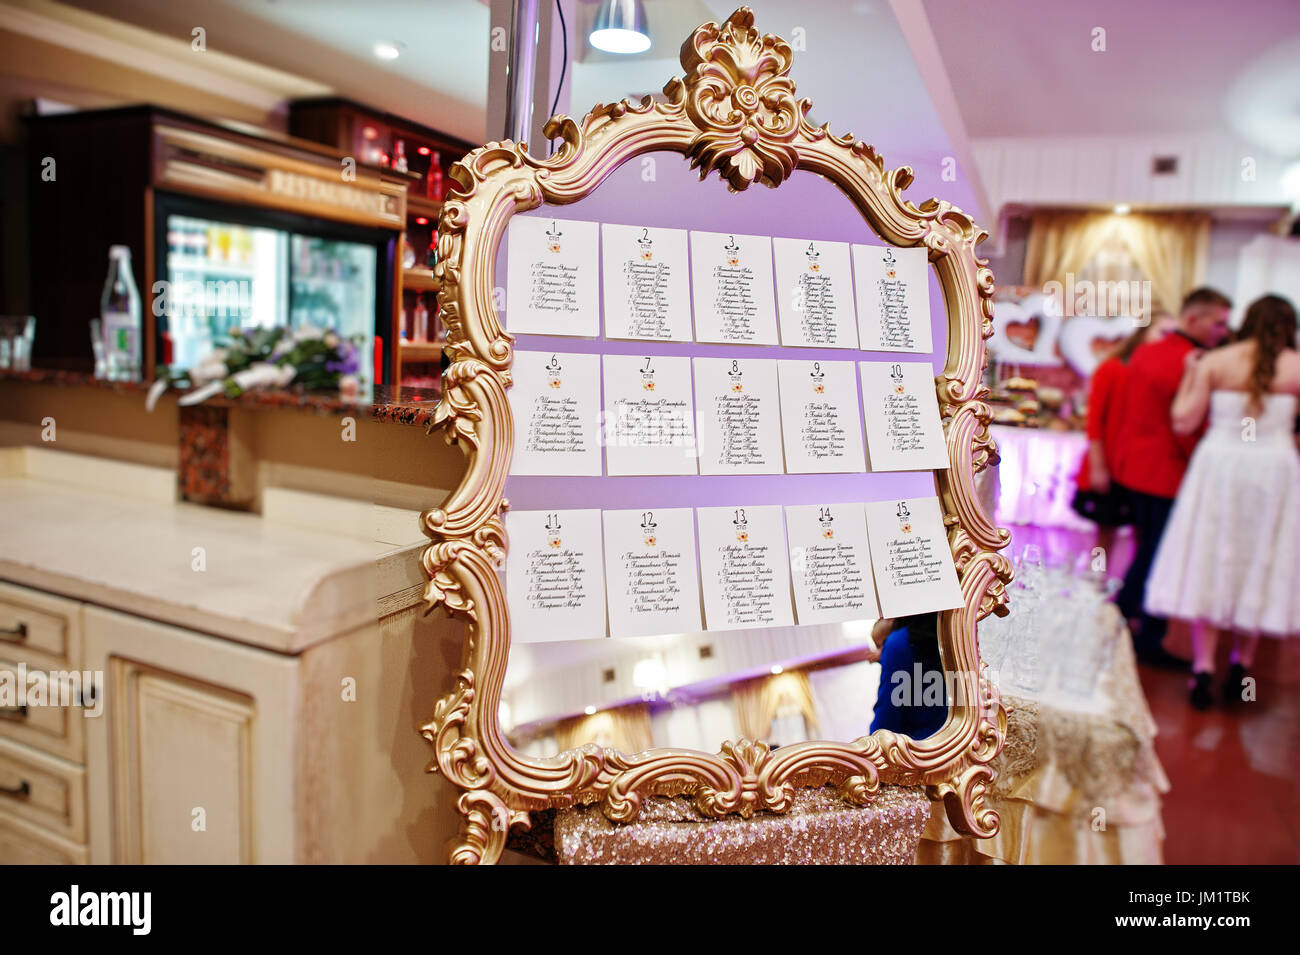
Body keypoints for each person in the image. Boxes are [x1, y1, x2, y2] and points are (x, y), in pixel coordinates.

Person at [1145, 294, 1300, 709]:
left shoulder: (1215, 361)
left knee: (1211, 559)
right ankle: (1241, 666)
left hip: (1222, 469)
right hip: (1275, 473)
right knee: (1259, 559)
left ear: (1246, 322)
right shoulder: (1296, 367)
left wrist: (1194, 376)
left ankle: (1203, 669)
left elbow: (1184, 420)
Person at [1114, 287, 1232, 668]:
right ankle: (1138, 631)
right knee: (1159, 555)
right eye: (1219, 322)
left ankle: (1121, 625)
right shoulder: (1194, 362)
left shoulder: (1146, 352)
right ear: (1193, 319)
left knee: (1145, 549)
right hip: (1170, 472)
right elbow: (1188, 425)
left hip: (1136, 468)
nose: (1223, 331)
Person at [1071, 313, 1177, 562]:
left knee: (1146, 535)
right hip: (1110, 463)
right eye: (1163, 333)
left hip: (1142, 469)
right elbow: (1094, 421)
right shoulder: (1113, 368)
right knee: (1105, 532)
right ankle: (1094, 583)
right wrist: (1099, 467)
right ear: (1143, 333)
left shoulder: (1163, 375)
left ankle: (1132, 592)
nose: (1168, 341)